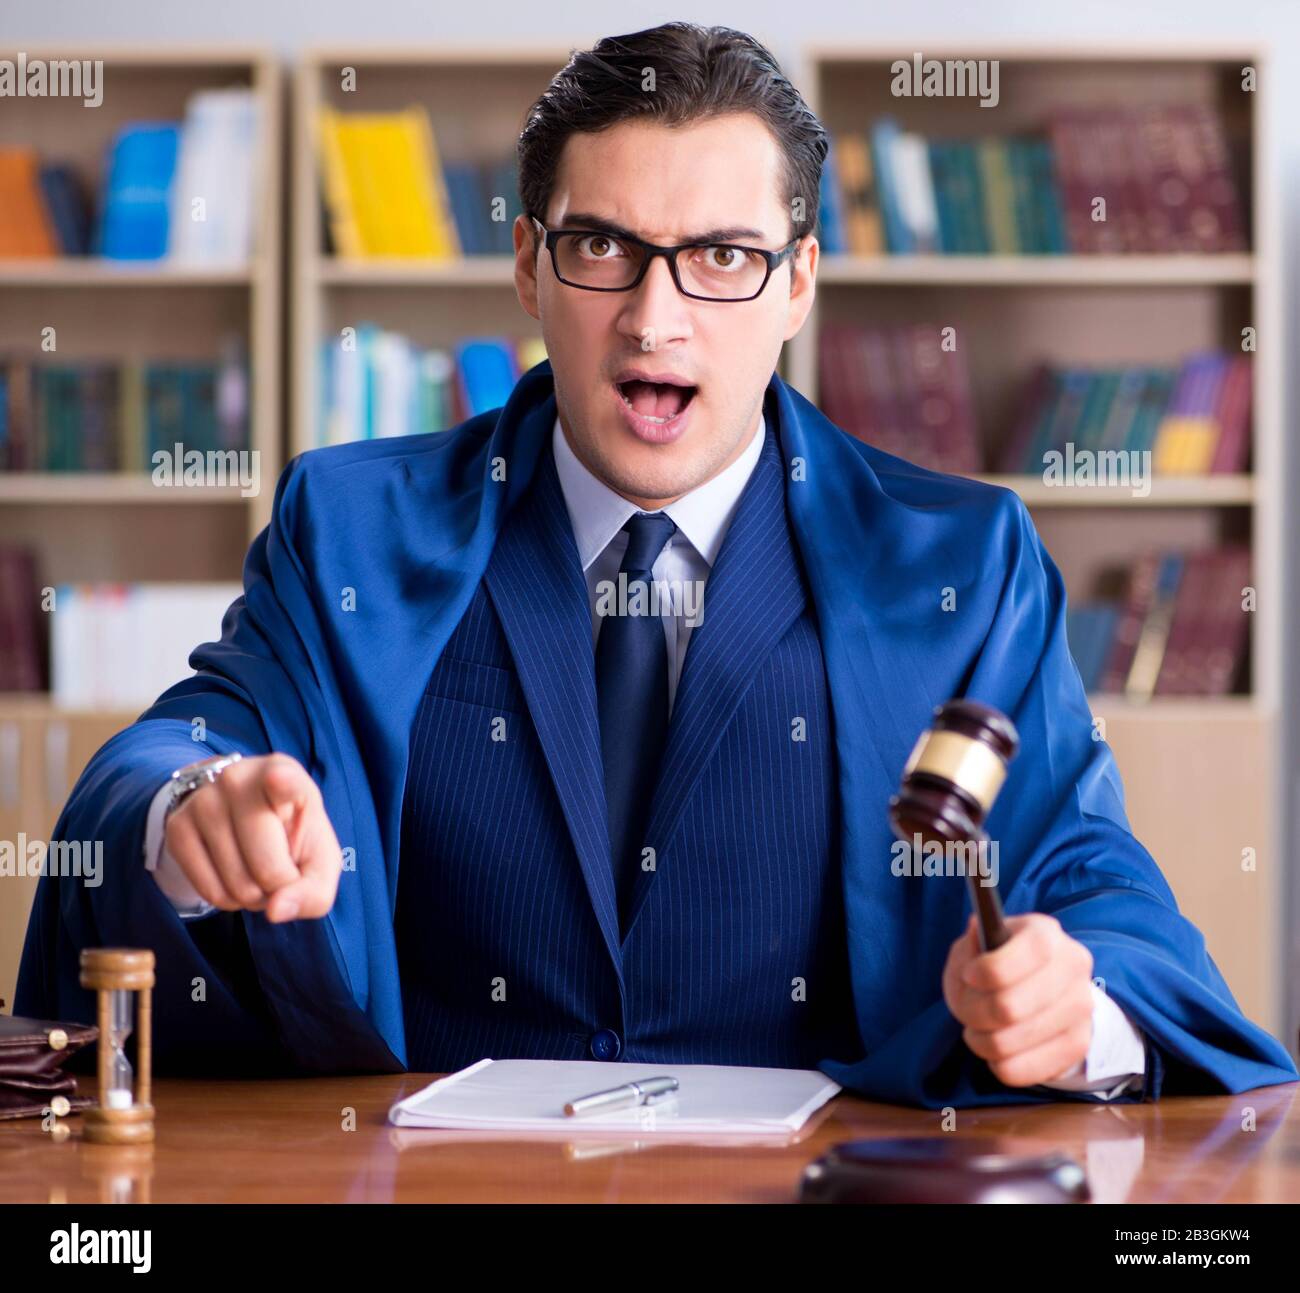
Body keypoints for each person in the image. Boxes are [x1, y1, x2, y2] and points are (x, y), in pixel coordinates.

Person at [17, 22, 1297, 1106]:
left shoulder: (955, 564)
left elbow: (1097, 890)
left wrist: (1079, 1014)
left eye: (722, 258)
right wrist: (193, 819)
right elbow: (164, 757)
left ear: (798, 284)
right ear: (528, 263)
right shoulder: (353, 528)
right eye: (602, 247)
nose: (655, 314)